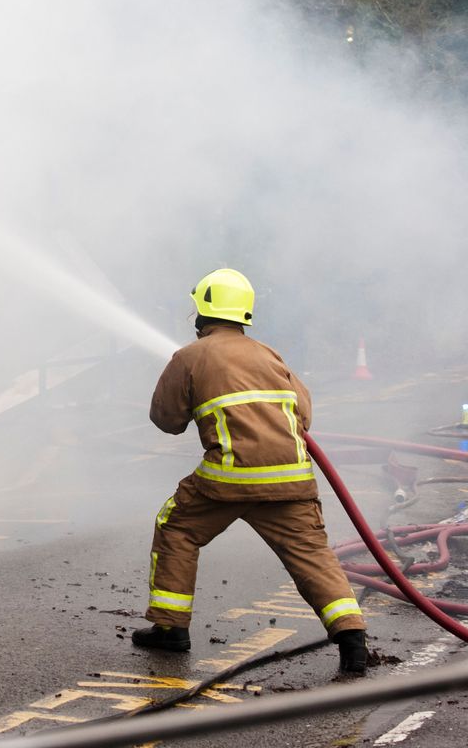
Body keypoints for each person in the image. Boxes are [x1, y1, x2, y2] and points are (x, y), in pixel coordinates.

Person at [133, 268, 368, 674]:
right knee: (311, 554)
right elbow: (304, 414)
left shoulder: (189, 357)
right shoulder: (269, 354)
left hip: (228, 479)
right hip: (291, 478)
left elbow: (166, 420)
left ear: (202, 312)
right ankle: (353, 640)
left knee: (176, 527)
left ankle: (170, 627)